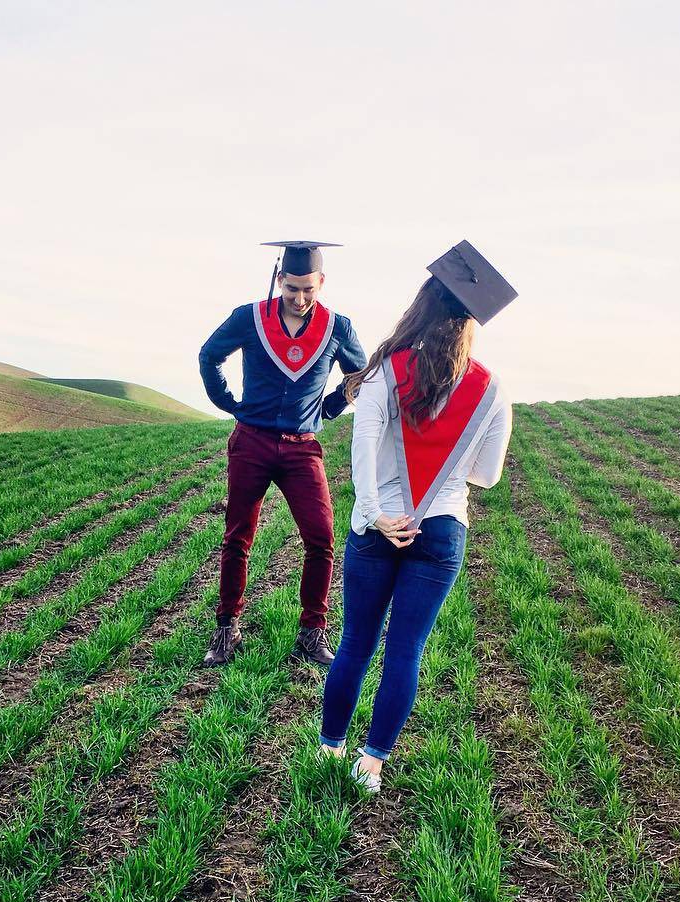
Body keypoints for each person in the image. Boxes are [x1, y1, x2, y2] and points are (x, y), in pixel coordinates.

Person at [320, 241, 517, 793]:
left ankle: (329, 750)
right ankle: (372, 763)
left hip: (378, 525)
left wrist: (378, 513)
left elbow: (361, 451)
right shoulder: (493, 389)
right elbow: (487, 476)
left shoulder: (384, 371)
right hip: (441, 529)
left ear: (421, 306)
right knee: (405, 649)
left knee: (356, 640)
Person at [199, 241, 367, 667]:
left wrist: (329, 408)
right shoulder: (249, 317)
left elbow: (360, 375)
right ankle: (227, 630)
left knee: (322, 539)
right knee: (238, 537)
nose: (300, 297)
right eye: (292, 288)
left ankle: (312, 634)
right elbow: (209, 355)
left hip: (301, 449)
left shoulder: (337, 327)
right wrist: (228, 403)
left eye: (309, 289)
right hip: (251, 442)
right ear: (280, 280)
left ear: (321, 283)